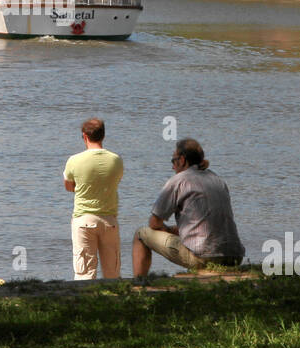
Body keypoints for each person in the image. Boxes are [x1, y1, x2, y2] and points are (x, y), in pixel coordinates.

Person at [132, 138, 244, 279]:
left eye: (173, 161)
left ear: (183, 160)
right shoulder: (217, 179)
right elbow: (206, 221)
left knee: (141, 234)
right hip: (235, 256)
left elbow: (154, 223)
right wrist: (173, 230)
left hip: (204, 257)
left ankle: (138, 284)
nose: (172, 166)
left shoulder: (178, 180)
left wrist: (166, 230)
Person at [63, 118, 124, 280]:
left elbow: (69, 187)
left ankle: (83, 303)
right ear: (103, 136)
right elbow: (115, 182)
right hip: (109, 221)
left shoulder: (74, 160)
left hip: (83, 221)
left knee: (84, 275)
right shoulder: (116, 160)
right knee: (113, 274)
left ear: (84, 136)